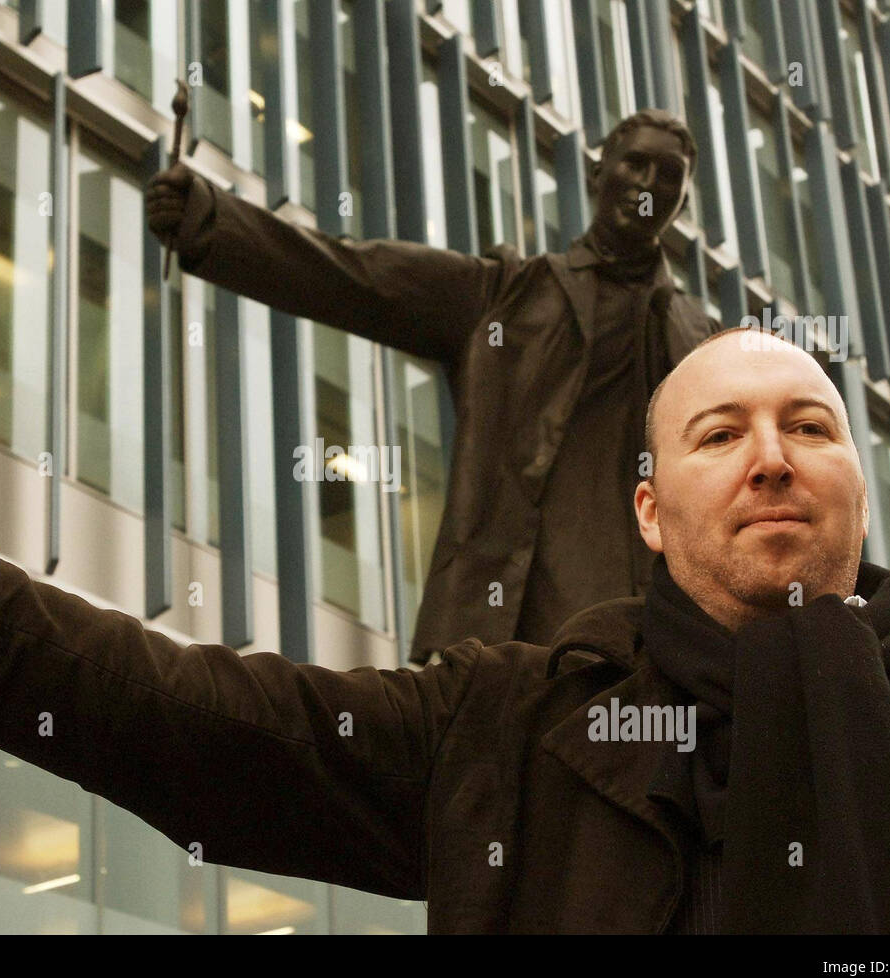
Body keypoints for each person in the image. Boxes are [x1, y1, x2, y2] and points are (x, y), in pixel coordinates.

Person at [0, 329, 890, 933]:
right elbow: (192, 717)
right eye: (720, 434)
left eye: (811, 426)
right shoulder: (507, 720)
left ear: (860, 485)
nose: (771, 458)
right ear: (649, 512)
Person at [148, 109, 719, 662]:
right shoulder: (507, 296)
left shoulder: (705, 341)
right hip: (521, 620)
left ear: (684, 201)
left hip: (661, 631)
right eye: (635, 164)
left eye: (668, 175)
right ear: (599, 171)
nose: (647, 184)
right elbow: (355, 276)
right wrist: (210, 223)